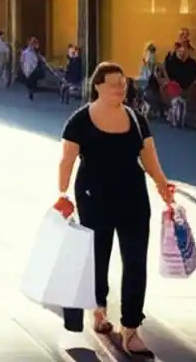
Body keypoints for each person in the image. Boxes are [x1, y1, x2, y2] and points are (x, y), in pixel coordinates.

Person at [57, 61, 174, 358]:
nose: (120, 88)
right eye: (113, 83)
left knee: (135, 261)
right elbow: (66, 161)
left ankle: (131, 329)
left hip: (133, 198)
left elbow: (149, 157)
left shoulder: (135, 119)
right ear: (98, 86)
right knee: (98, 256)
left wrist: (163, 185)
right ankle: (98, 310)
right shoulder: (80, 120)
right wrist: (61, 194)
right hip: (93, 197)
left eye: (123, 83)